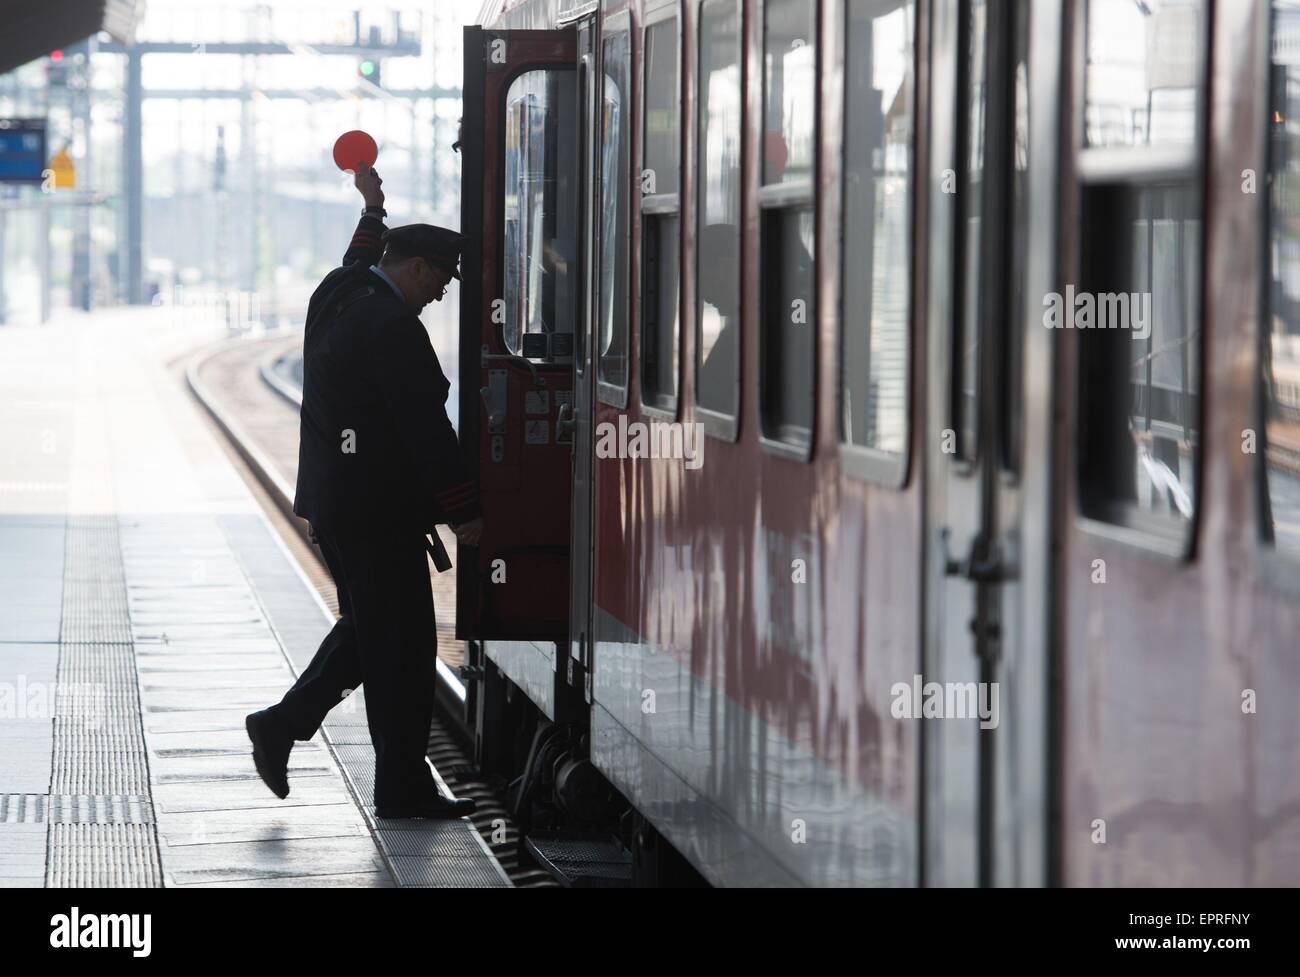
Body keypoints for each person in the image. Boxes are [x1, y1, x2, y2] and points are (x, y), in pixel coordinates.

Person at [246, 161, 482, 819]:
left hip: (336, 503)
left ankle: (281, 724)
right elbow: (426, 428)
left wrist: (373, 206)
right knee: (403, 650)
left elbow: (361, 256)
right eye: (438, 279)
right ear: (413, 269)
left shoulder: (339, 291)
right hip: (374, 512)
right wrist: (466, 512)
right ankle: (399, 788)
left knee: (373, 632)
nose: (440, 293)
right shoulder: (392, 327)